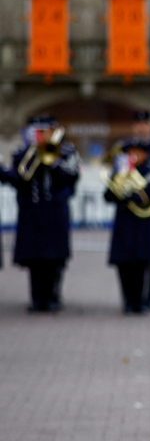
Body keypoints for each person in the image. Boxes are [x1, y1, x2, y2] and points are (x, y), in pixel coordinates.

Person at [3, 115, 79, 312]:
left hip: (55, 211)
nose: (41, 136)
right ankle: (37, 297)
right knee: (34, 258)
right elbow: (19, 180)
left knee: (55, 258)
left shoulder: (65, 151)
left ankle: (53, 295)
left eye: (45, 131)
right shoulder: (23, 153)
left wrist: (52, 162)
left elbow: (71, 178)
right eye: (38, 132)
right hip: (32, 213)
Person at [104, 137, 150, 313]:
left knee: (143, 265)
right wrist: (118, 189)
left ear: (144, 154)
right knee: (125, 266)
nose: (133, 156)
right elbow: (108, 196)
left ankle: (142, 301)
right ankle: (128, 301)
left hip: (145, 227)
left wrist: (131, 195)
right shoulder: (120, 171)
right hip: (125, 226)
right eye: (130, 153)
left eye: (137, 153)